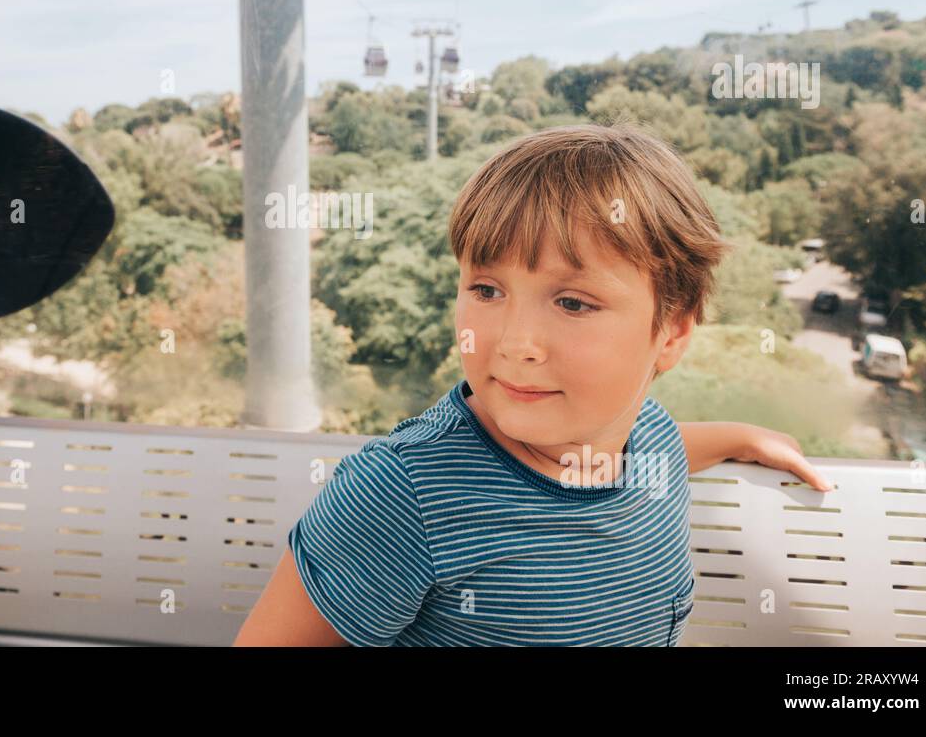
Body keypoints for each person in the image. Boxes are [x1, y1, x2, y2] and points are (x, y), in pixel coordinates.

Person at [233, 123, 833, 646]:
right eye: (486, 290)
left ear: (672, 333)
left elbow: (662, 444)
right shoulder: (406, 496)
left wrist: (739, 438)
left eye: (572, 302)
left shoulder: (646, 438)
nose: (516, 343)